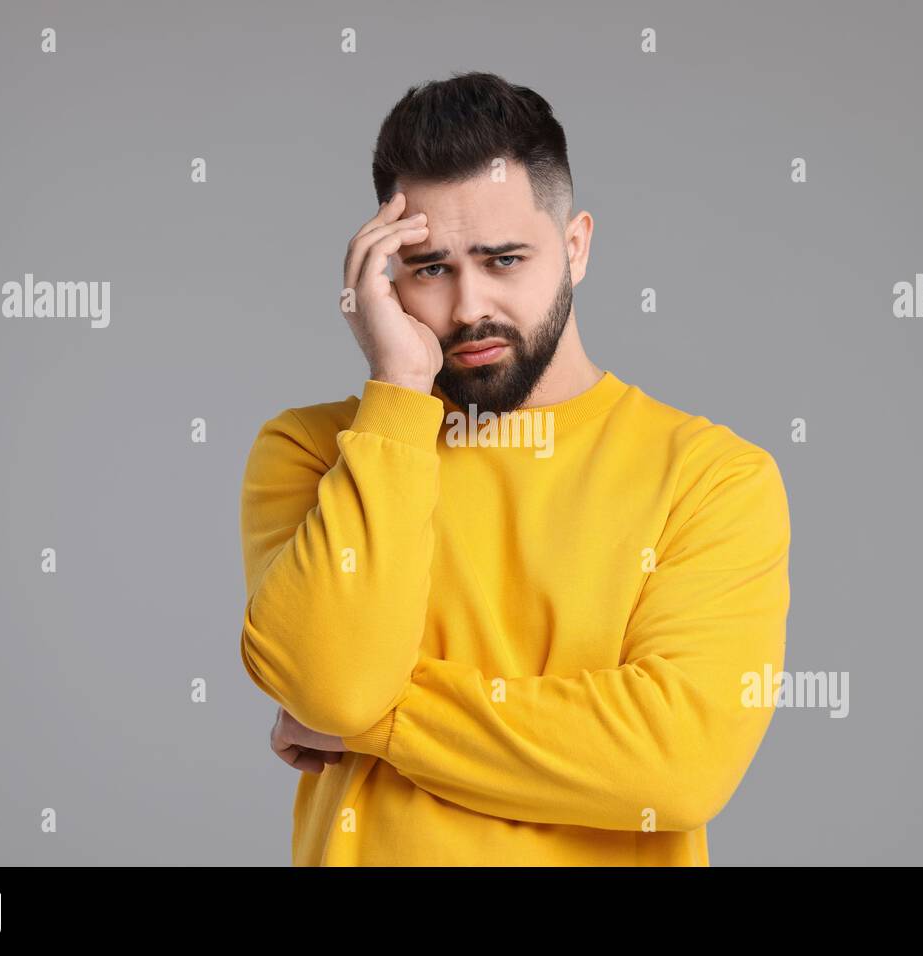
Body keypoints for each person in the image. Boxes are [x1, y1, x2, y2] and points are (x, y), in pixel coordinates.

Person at [238, 71, 791, 865]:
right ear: (385, 279)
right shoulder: (316, 451)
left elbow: (676, 765)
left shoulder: (712, 477)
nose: (469, 308)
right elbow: (331, 686)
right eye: (430, 268)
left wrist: (380, 724)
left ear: (575, 247)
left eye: (504, 259)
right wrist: (395, 394)